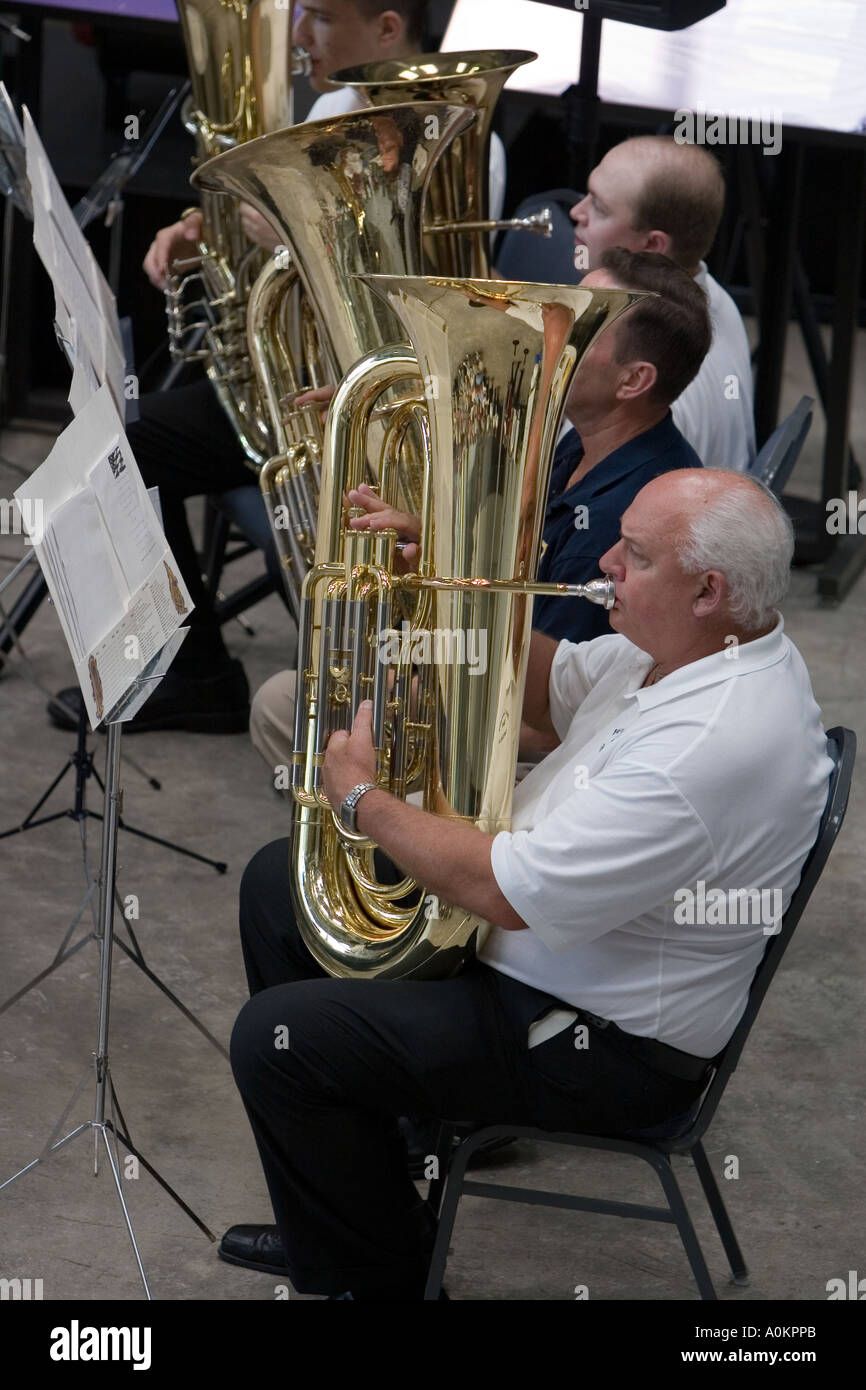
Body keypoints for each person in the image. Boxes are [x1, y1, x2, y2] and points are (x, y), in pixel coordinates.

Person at [219, 468, 832, 1297]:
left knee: (278, 1042)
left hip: (597, 1043)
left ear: (707, 590)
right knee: (276, 888)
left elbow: (513, 891)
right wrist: (438, 577)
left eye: (636, 556)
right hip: (555, 963)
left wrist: (363, 800)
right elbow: (556, 682)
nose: (607, 560)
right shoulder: (692, 647)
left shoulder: (708, 743)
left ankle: (379, 1276)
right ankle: (355, 1209)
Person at [46, 0, 499, 734]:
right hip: (302, 386)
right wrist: (204, 233)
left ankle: (385, 691)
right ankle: (191, 669)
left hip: (384, 408)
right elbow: (296, 259)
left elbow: (438, 294)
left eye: (319, 17)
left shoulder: (452, 131)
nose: (297, 36)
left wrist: (291, 226)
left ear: (388, 29)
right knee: (122, 441)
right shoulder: (330, 108)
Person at [248, 247, 710, 778]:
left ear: (633, 381)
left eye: (577, 324)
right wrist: (432, 543)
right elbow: (520, 578)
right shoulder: (584, 446)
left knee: (286, 705)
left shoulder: (622, 516)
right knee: (308, 690)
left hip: (533, 757)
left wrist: (410, 666)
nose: (544, 329)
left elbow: (545, 711)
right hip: (490, 680)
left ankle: (387, 854)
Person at [570, 135, 755, 475]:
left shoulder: (652, 401)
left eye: (599, 207)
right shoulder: (714, 297)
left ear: (653, 245)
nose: (576, 211)